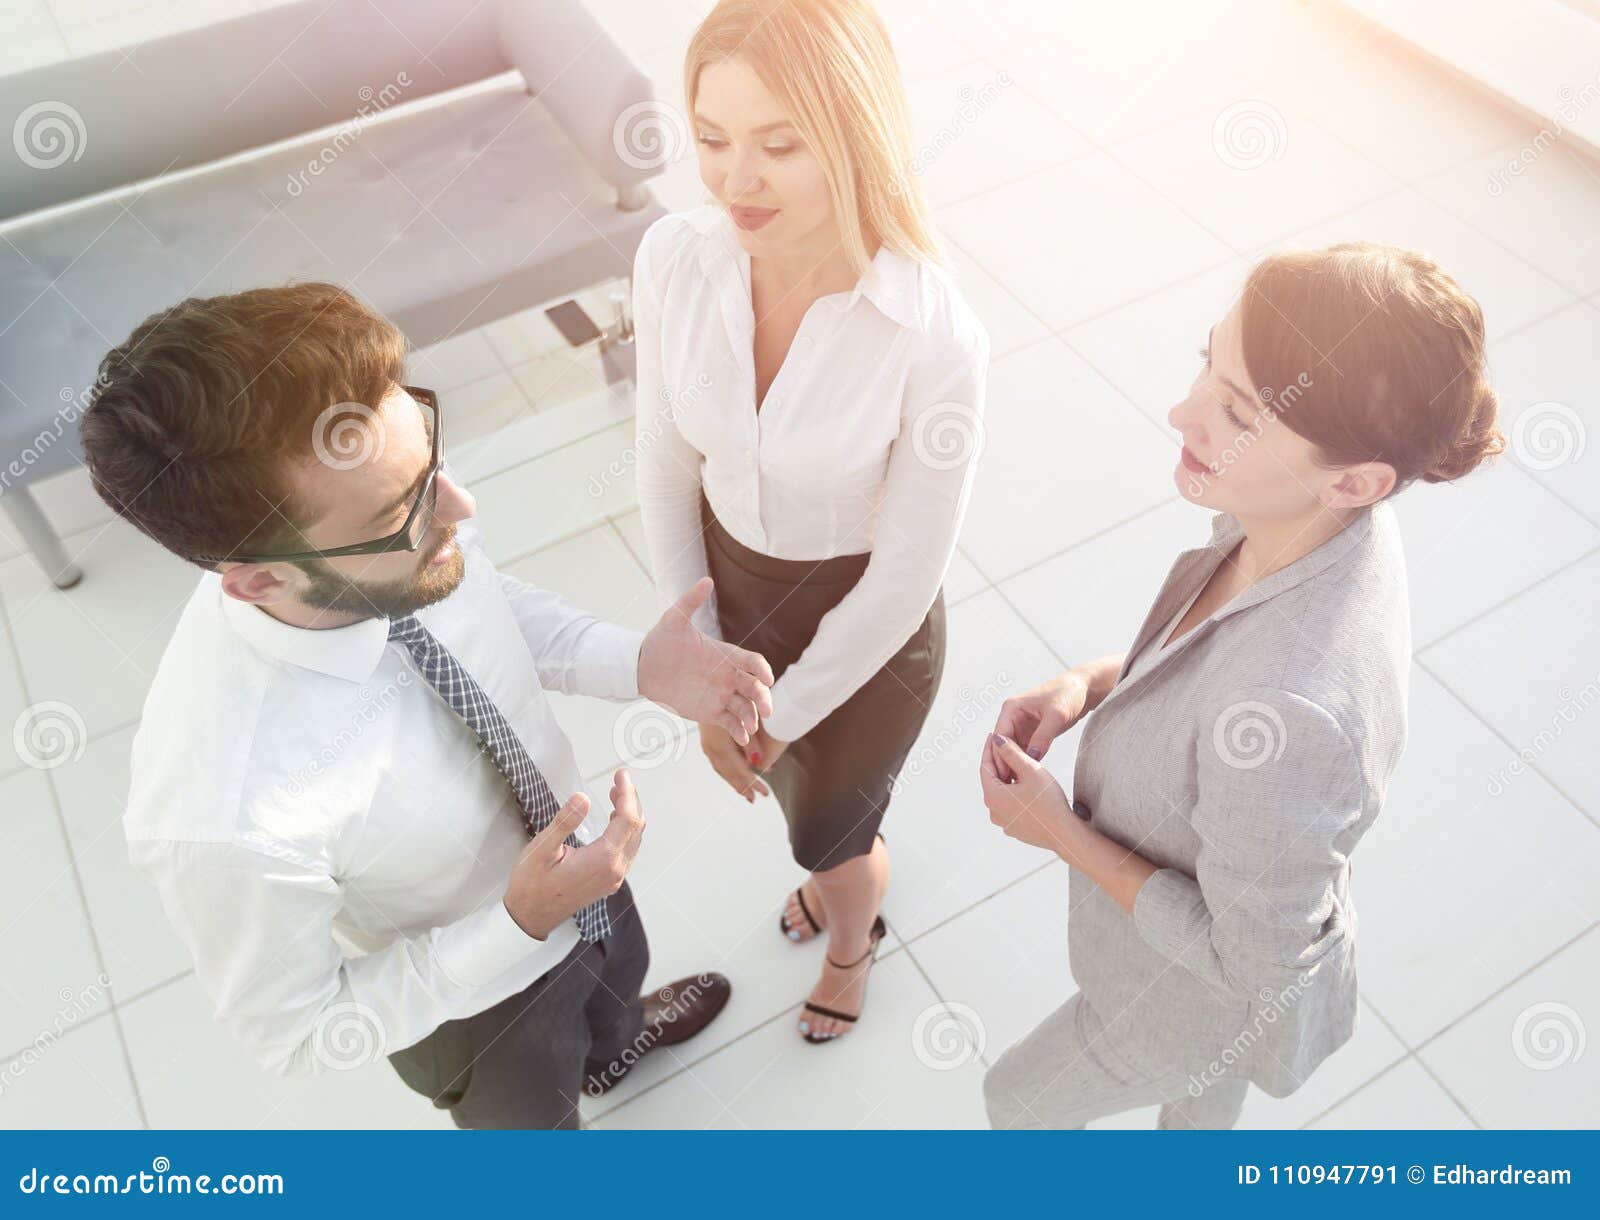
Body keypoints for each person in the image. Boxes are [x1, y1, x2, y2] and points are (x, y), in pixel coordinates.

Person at [80, 283, 777, 1128]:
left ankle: (617, 1042)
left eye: (429, 455)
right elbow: (298, 1035)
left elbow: (479, 602)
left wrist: (634, 663)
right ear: (259, 579)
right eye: (404, 507)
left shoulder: (399, 504)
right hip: (477, 1013)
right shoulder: (224, 812)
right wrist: (518, 923)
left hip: (584, 863)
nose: (461, 507)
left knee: (615, 980)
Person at [979, 243, 1505, 1129]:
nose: (1180, 413)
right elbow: (1203, 656)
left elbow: (1250, 967)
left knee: (1015, 1104)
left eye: (1234, 410)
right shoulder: (1311, 514)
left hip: (1180, 1004)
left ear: (1356, 479)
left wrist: (1057, 832)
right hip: (1211, 975)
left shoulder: (1292, 716)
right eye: (1206, 368)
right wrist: (1087, 682)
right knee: (1200, 1119)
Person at [633, 0, 989, 1042]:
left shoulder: (934, 333)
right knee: (811, 824)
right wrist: (703, 662)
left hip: (863, 632)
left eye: (778, 145)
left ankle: (849, 935)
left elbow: (906, 575)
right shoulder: (671, 260)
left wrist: (776, 713)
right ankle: (840, 881)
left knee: (830, 834)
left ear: (852, 133)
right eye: (710, 140)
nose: (733, 181)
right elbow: (663, 461)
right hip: (730, 595)